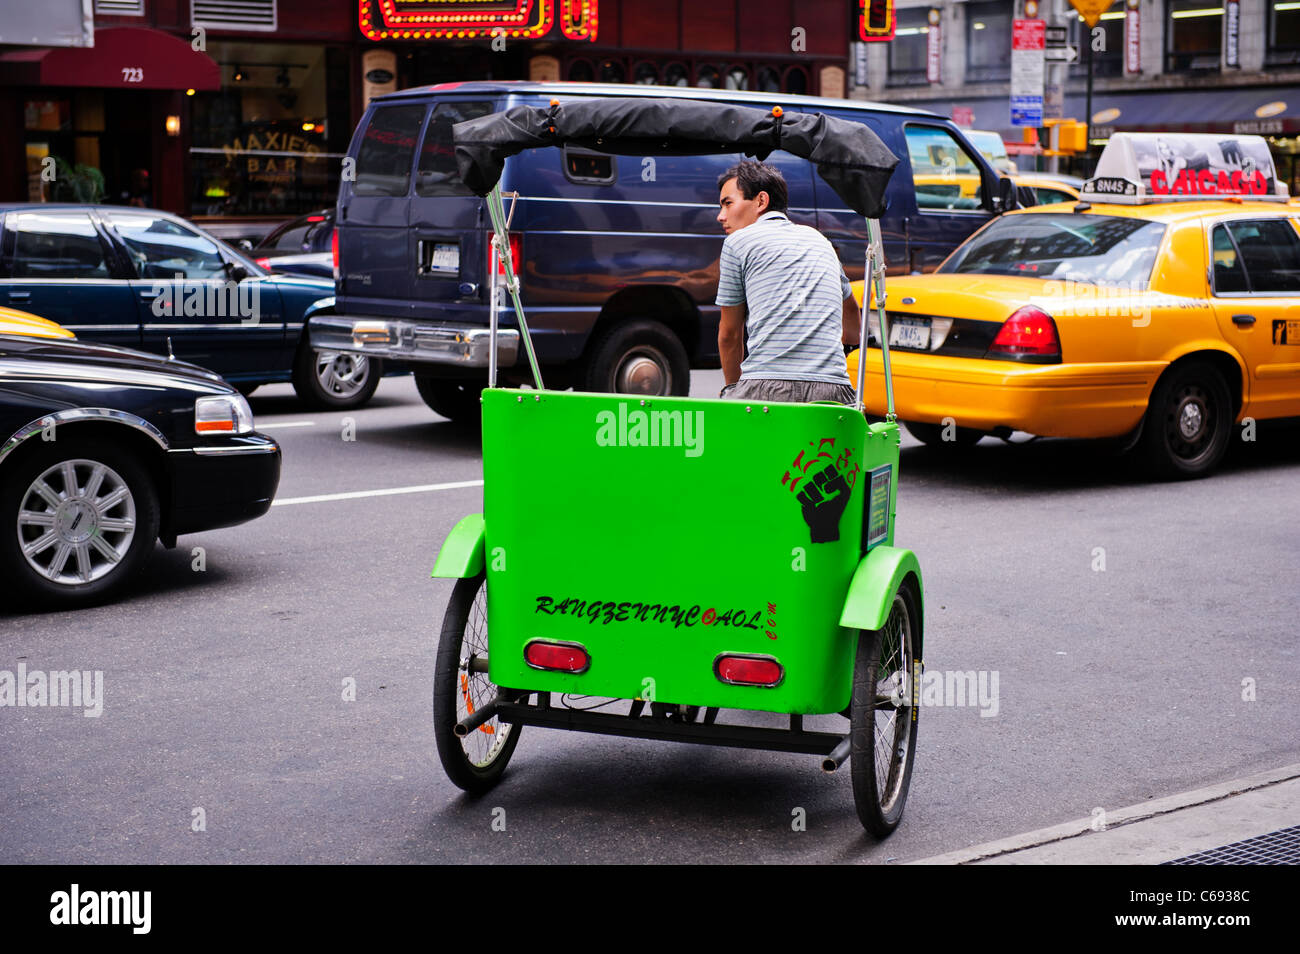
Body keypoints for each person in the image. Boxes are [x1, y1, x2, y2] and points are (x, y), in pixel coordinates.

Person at [714, 160, 860, 404]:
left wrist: (731, 389)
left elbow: (729, 335)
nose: (721, 216)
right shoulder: (820, 240)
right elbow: (852, 312)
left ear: (761, 201)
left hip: (766, 389)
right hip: (836, 391)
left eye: (728, 204)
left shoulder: (737, 243)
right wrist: (843, 351)